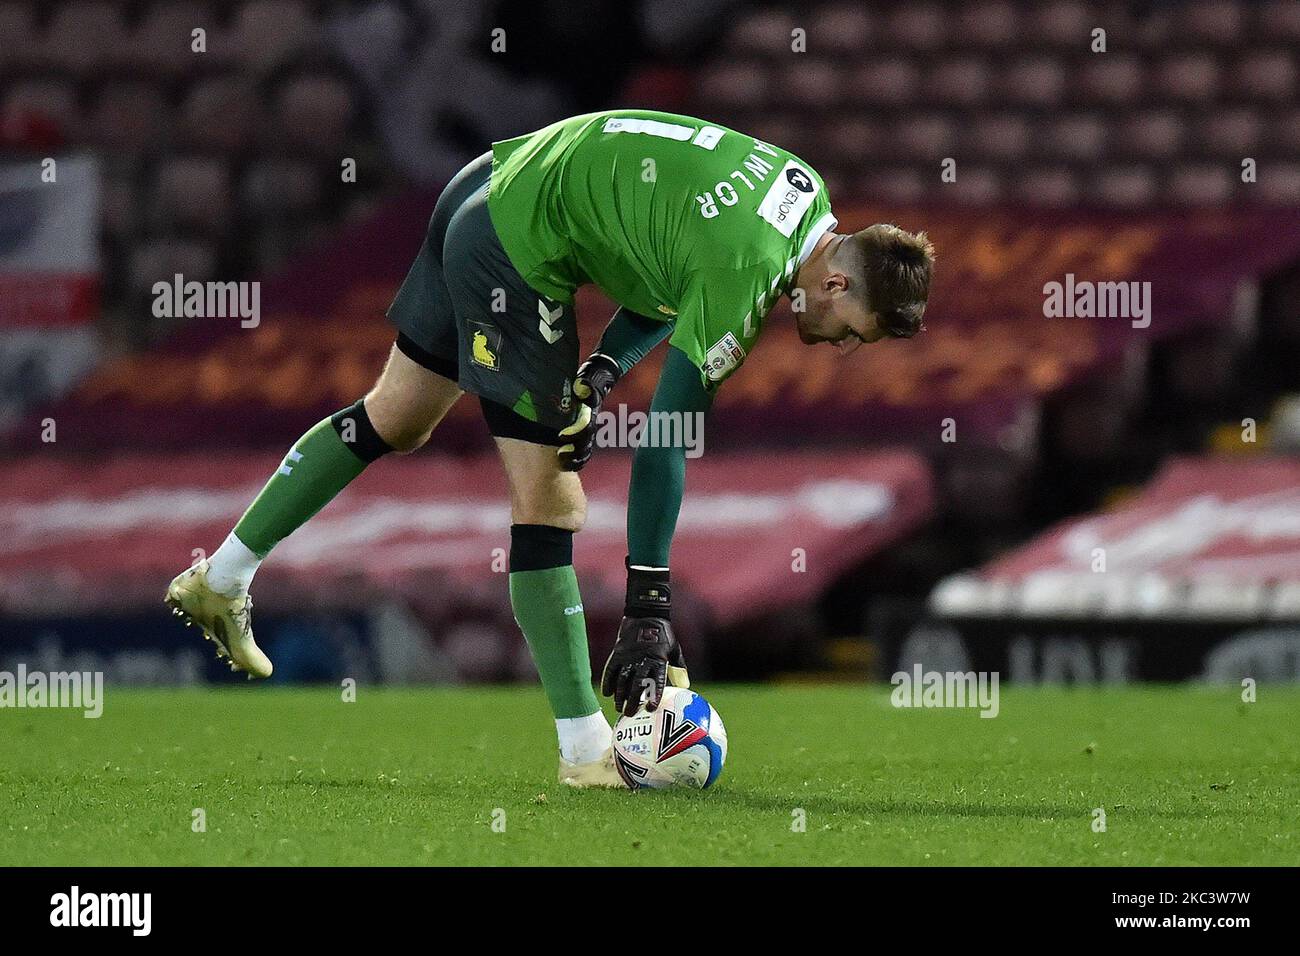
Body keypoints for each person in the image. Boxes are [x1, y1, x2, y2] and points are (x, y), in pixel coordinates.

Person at [166, 109, 935, 788]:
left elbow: (668, 266)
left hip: (491, 182)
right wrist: (649, 609)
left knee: (395, 417)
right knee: (551, 499)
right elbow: (665, 442)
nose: (842, 350)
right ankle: (584, 749)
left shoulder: (800, 193)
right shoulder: (750, 273)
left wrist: (601, 372)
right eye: (854, 334)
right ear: (837, 285)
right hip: (514, 246)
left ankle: (222, 575)